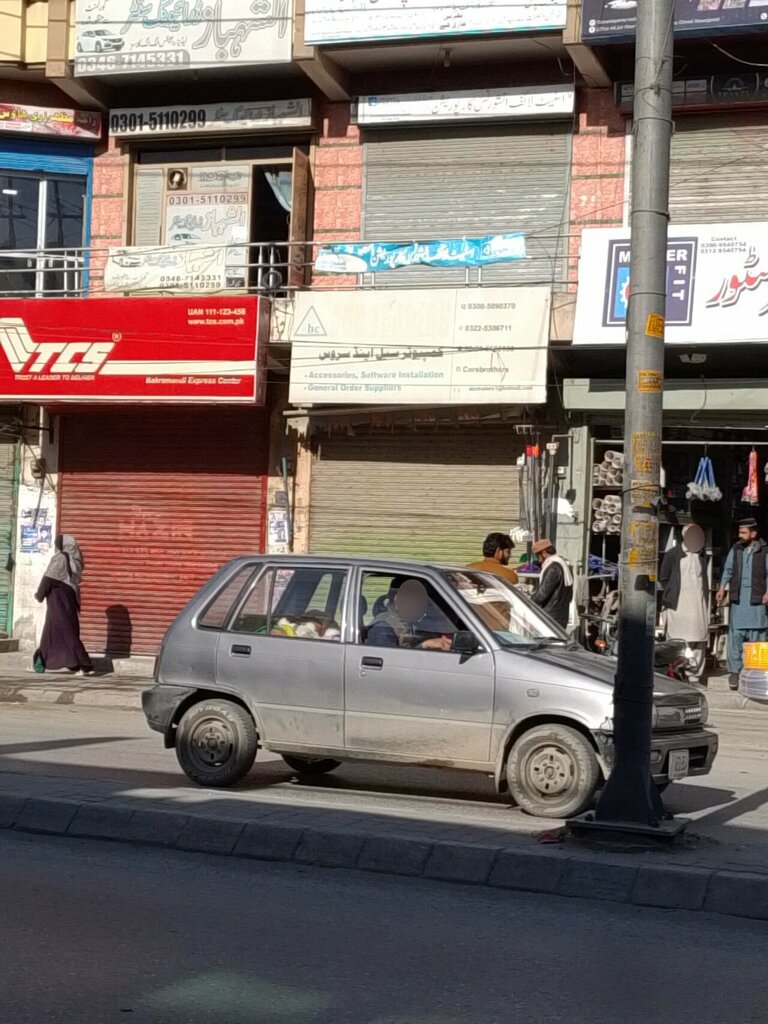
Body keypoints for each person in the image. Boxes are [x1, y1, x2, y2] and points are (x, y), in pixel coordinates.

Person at [716, 517, 768, 690]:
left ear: (753, 534)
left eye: (743, 532)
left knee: (757, 638)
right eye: (739, 532)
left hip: (757, 601)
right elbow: (728, 569)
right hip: (739, 601)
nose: (740, 535)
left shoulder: (764, 550)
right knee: (735, 637)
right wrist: (722, 587)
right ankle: (734, 672)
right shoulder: (736, 549)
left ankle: (757, 674)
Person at [34, 535, 94, 675]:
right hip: (69, 598)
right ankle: (40, 663)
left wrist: (40, 594)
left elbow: (49, 577)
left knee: (67, 632)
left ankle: (85, 665)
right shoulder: (76, 559)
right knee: (52, 631)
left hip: (58, 599)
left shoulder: (61, 557)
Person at [660, 524, 709, 687]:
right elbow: (664, 577)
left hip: (698, 604)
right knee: (678, 640)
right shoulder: (673, 554)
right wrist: (670, 593)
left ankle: (694, 676)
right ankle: (675, 673)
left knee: (698, 639)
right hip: (678, 604)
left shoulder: (701, 556)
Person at [366, 578, 452, 651]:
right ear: (397, 598)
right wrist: (424, 645)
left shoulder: (408, 621)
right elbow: (389, 663)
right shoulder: (383, 628)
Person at [530, 538, 573, 629]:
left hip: (551, 616)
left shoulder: (553, 568)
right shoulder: (561, 564)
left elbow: (542, 594)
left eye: (538, 555)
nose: (538, 559)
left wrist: (527, 603)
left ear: (544, 552)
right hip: (559, 616)